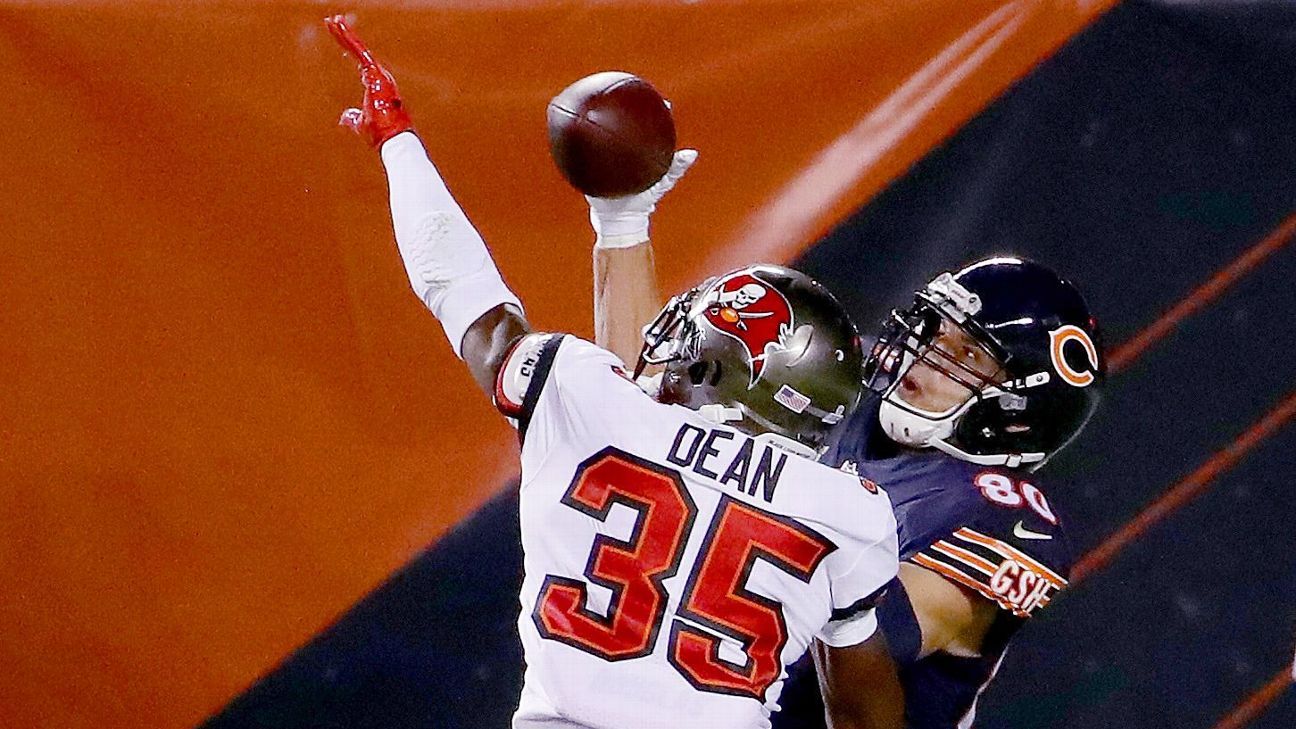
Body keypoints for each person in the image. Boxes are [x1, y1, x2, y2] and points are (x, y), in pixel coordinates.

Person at [325, 16, 906, 729]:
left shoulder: (577, 392)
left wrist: (398, 143)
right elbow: (867, 711)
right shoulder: (850, 513)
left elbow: (462, 292)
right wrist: (622, 227)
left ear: (718, 366)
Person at [585, 137, 1104, 728]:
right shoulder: (836, 400)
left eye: (967, 357)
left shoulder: (1003, 517)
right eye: (934, 334)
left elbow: (827, 646)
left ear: (1020, 405)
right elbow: (639, 425)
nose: (928, 358)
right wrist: (622, 223)